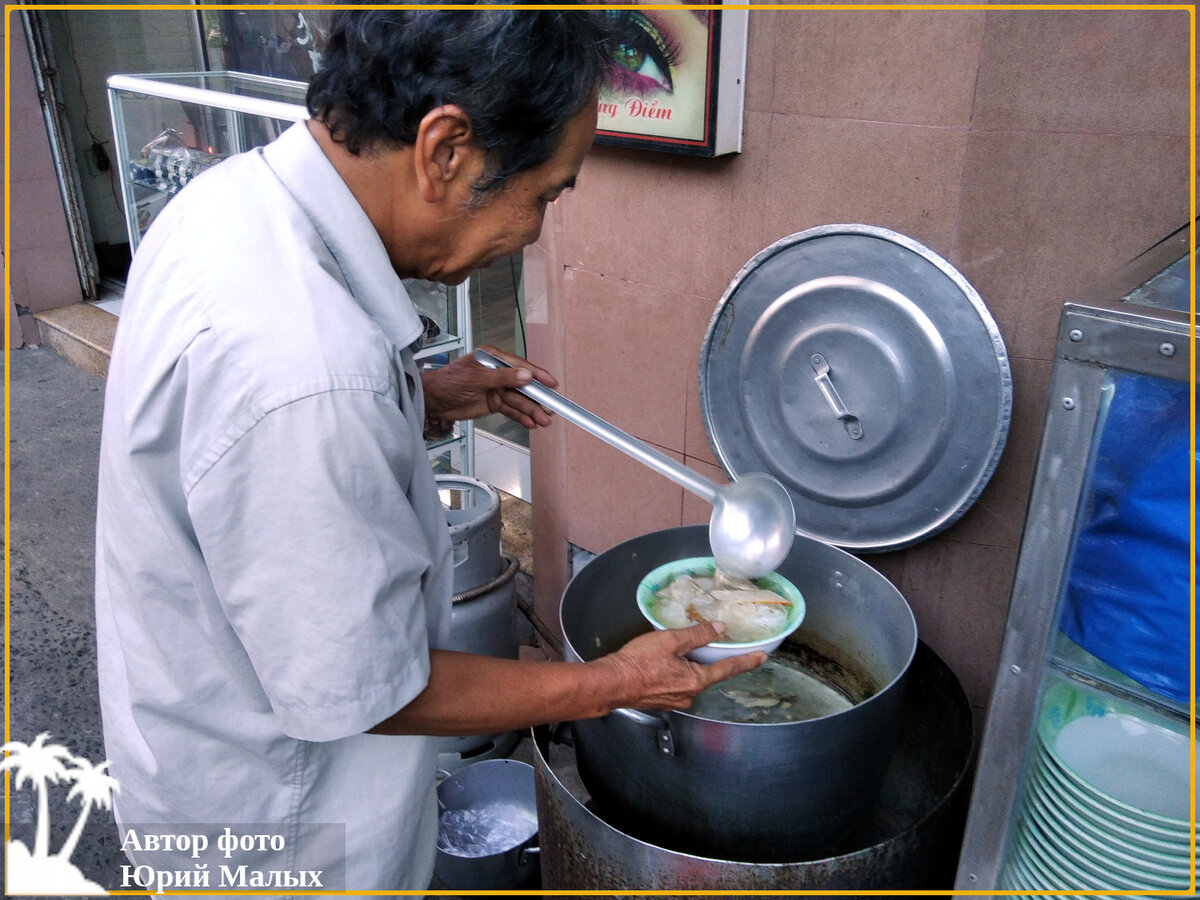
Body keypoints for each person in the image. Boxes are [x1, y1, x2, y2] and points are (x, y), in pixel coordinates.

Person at [94, 7, 765, 894]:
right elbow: (371, 690)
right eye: (548, 193)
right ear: (445, 150)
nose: (533, 230)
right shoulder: (307, 371)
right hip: (284, 835)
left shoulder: (231, 200)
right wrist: (609, 683)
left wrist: (420, 398)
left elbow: (230, 454)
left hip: (192, 749)